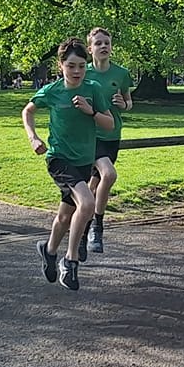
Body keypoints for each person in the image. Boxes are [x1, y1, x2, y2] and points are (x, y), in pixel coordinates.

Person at [22, 38, 114, 292]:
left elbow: (109, 124)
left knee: (65, 216)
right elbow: (27, 111)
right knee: (87, 203)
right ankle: (70, 260)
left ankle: (49, 250)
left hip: (83, 160)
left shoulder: (93, 89)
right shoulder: (52, 91)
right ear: (60, 65)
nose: (76, 71)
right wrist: (33, 137)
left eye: (81, 66)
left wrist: (90, 111)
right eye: (71, 66)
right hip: (59, 159)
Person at [79, 27, 133, 256]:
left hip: (112, 134)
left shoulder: (122, 74)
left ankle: (81, 235)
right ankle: (98, 226)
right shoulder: (83, 72)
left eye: (107, 43)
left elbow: (129, 102)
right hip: (90, 135)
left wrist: (124, 104)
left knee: (94, 186)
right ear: (90, 48)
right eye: (98, 43)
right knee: (109, 175)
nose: (103, 46)